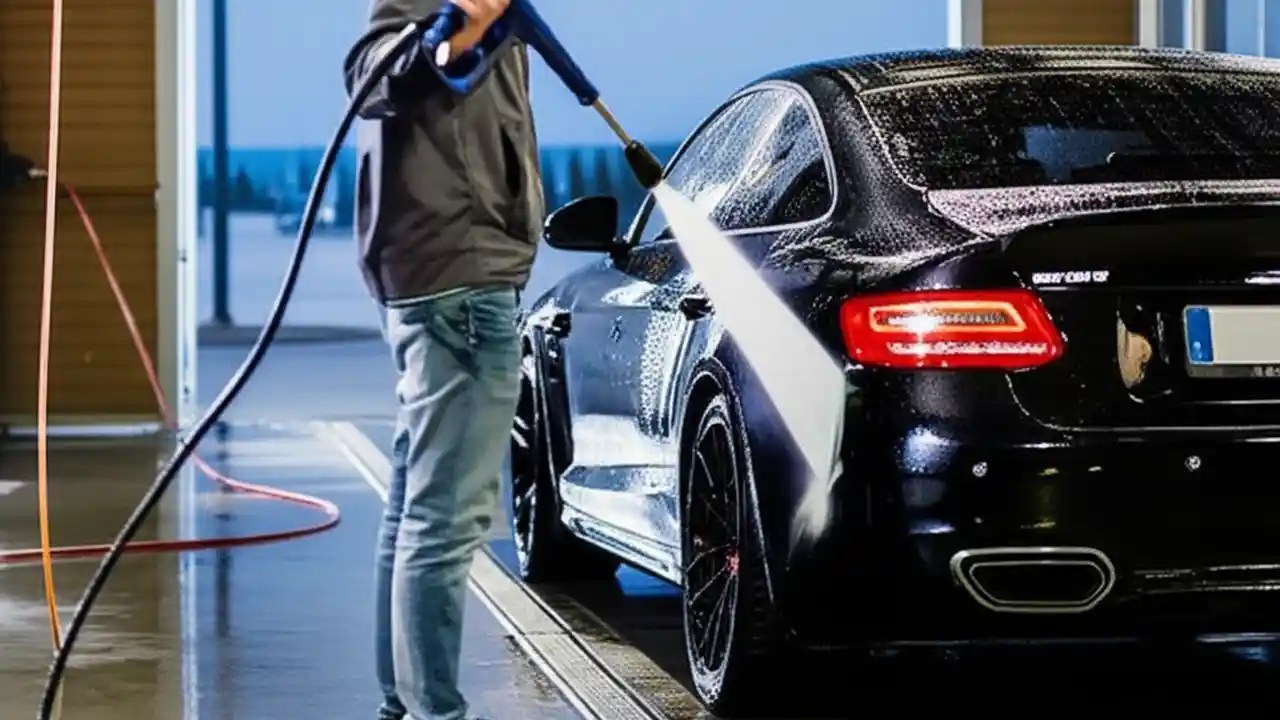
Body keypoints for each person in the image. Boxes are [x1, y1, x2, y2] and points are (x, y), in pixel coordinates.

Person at [342, 1, 543, 718]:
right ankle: (436, 713)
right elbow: (371, 73)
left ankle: (404, 705)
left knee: (416, 510)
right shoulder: (444, 10)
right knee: (445, 520)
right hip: (461, 276)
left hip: (445, 272)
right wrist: (451, 41)